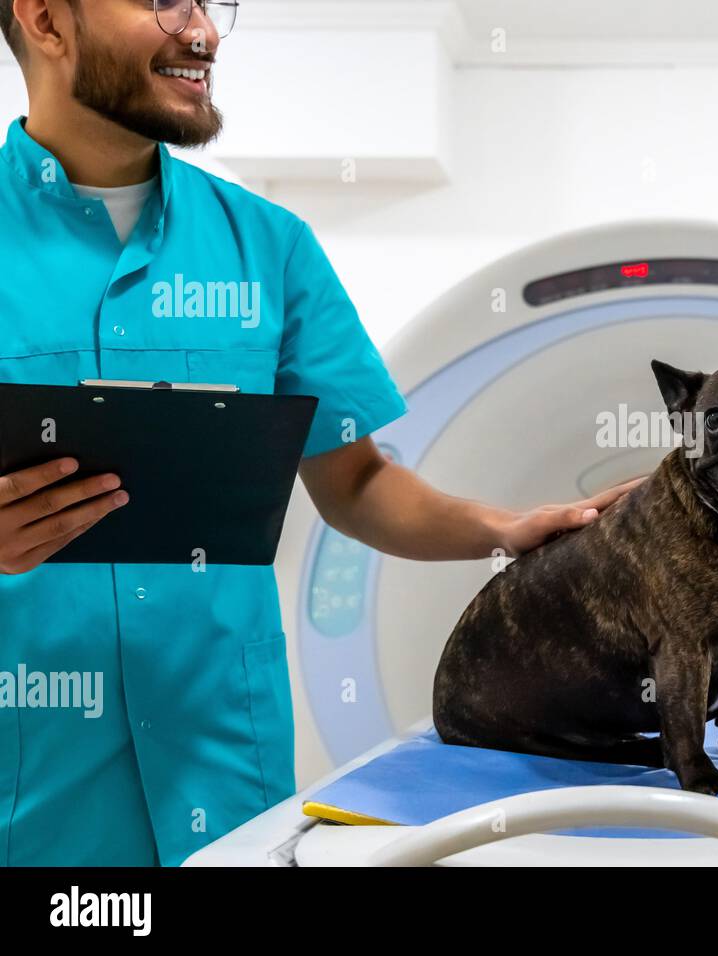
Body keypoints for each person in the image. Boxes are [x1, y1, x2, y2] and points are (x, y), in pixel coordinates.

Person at [0, 0, 636, 865]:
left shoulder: (269, 247)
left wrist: (506, 529)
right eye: (162, 3)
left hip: (221, 765)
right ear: (45, 18)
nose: (203, 32)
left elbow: (357, 485)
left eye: (209, 3)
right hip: (34, 784)